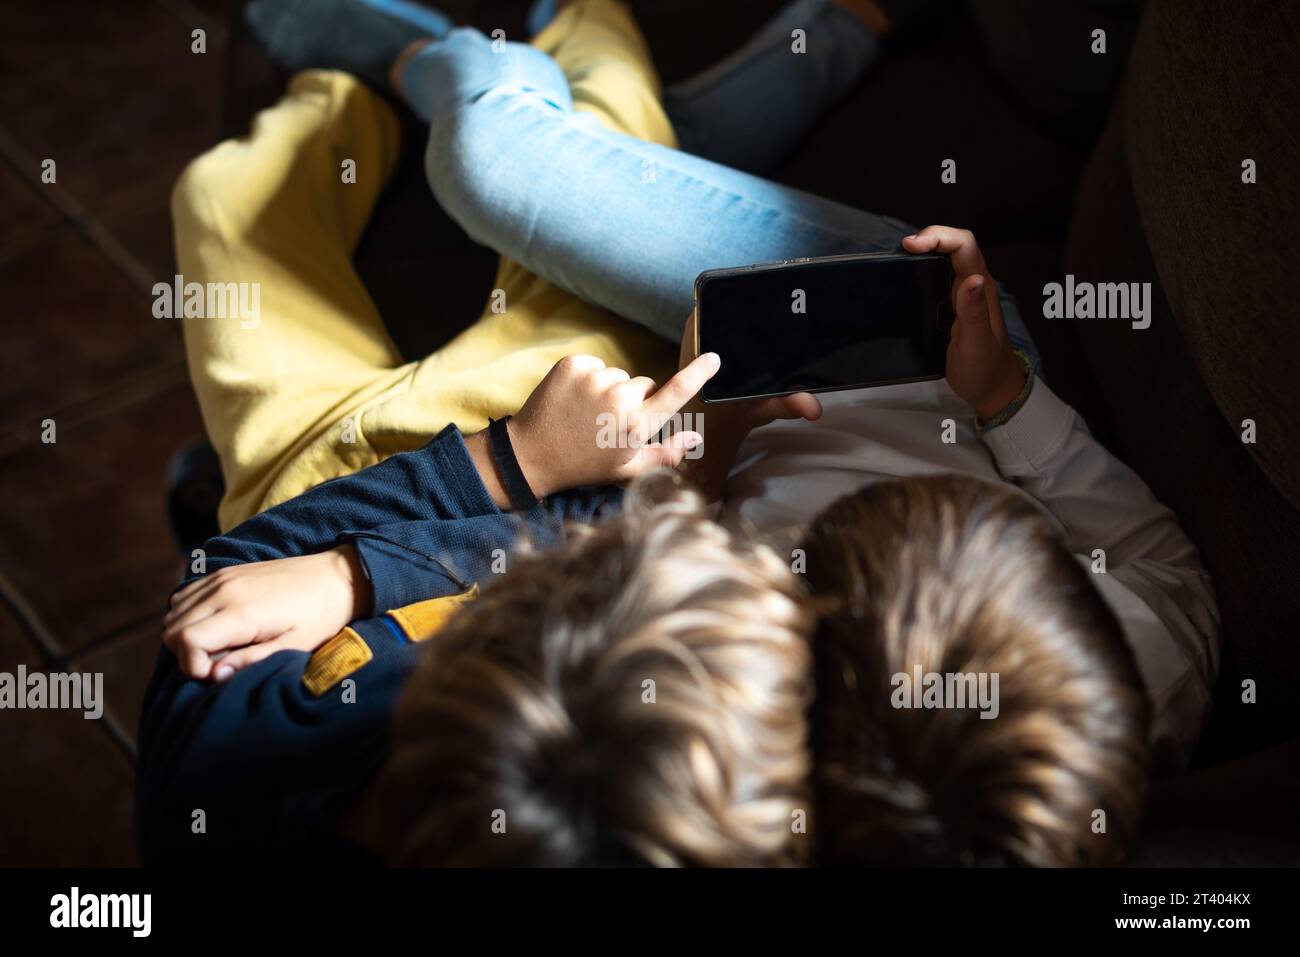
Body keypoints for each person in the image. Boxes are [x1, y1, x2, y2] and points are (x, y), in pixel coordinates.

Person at [140, 0, 1219, 863]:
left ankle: (499, 47)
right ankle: (796, 29)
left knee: (525, 164)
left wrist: (694, 462)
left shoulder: (717, 713)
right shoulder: (1137, 675)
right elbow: (1159, 568)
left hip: (703, 415)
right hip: (923, 352)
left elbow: (641, 554)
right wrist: (1001, 406)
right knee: (522, 166)